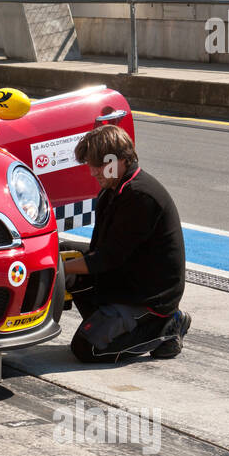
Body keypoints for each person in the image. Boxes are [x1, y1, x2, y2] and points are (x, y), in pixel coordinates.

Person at [64, 124, 190, 362]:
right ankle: (111, 325)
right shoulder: (112, 189)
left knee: (86, 349)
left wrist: (57, 268)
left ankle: (166, 327)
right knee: (62, 255)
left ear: (121, 159)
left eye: (99, 165)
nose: (93, 172)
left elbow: (107, 258)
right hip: (126, 279)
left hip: (149, 297)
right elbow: (98, 250)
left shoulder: (140, 196)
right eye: (91, 164)